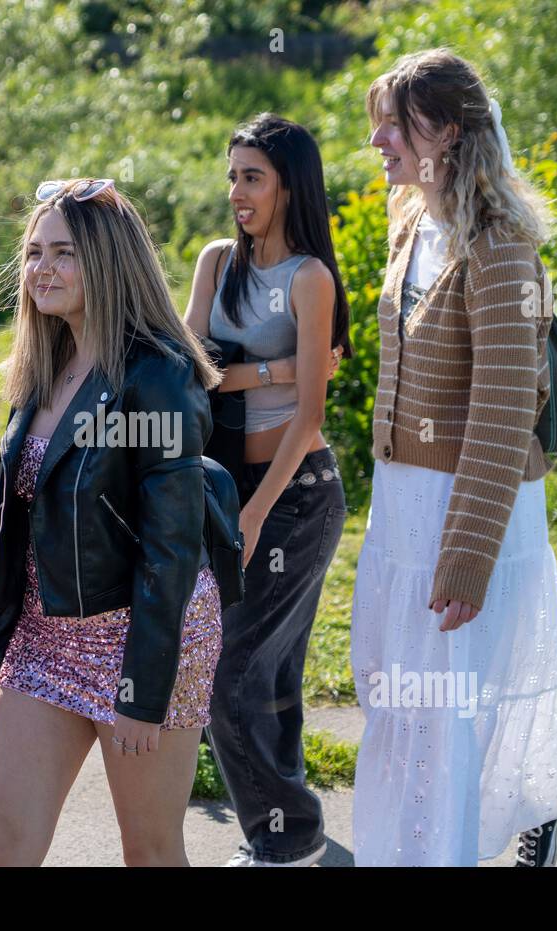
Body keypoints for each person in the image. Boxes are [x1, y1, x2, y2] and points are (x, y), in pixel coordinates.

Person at [352, 48, 557, 866]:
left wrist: (465, 556)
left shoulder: (500, 244)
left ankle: (466, 843)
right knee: (409, 710)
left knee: (449, 715)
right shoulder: (415, 223)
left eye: (396, 124)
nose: (378, 140)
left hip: (468, 513)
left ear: (447, 131)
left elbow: (501, 408)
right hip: (405, 508)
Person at [0, 178, 225, 866]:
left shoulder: (160, 376)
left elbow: (172, 549)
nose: (41, 269)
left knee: (148, 849)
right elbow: (20, 526)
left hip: (146, 632)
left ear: (108, 262)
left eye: (64, 253)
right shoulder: (41, 367)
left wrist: (142, 689)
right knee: (4, 840)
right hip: (42, 634)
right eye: (32, 253)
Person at [182, 114, 351, 866]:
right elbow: (190, 370)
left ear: (289, 186)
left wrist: (253, 513)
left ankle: (287, 839)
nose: (237, 191)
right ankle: (292, 831)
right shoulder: (218, 263)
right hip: (228, 482)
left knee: (235, 673)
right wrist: (270, 370)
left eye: (252, 176)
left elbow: (310, 412)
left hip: (295, 494)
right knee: (265, 668)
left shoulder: (310, 278)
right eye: (232, 176)